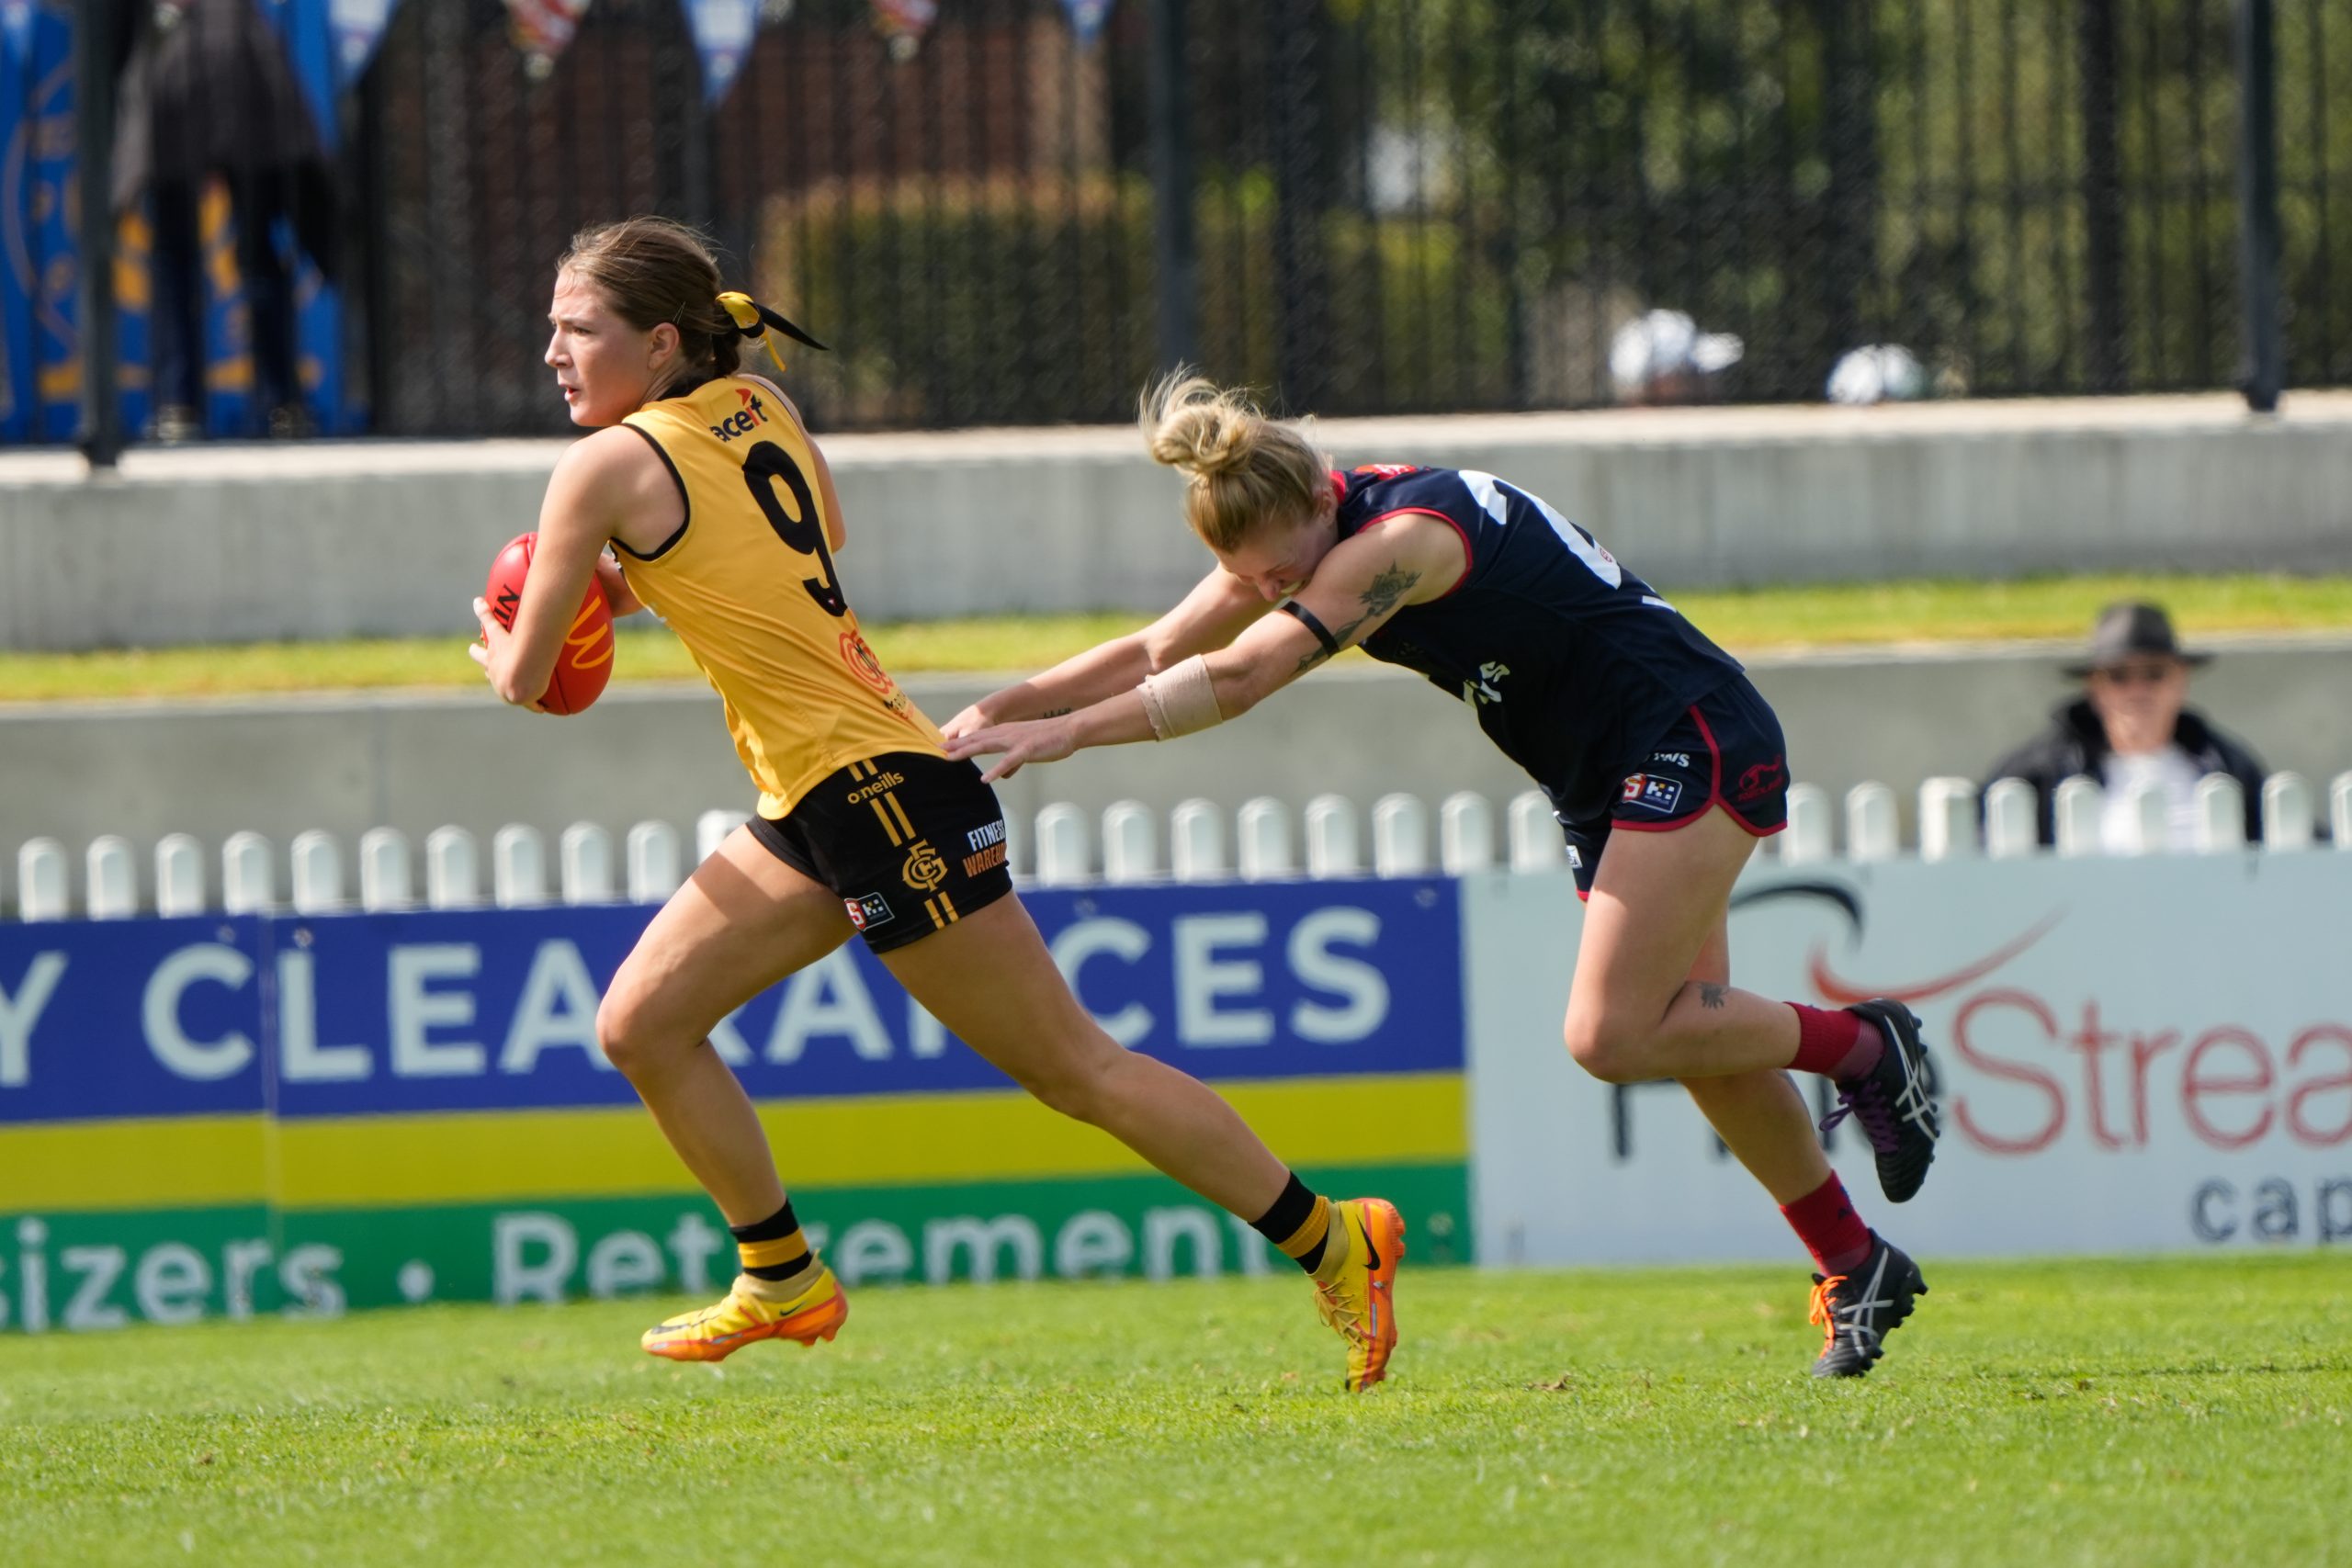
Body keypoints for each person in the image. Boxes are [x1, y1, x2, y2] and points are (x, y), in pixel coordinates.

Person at [467, 219, 1403, 1393]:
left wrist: (518, 622)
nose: (552, 351)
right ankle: (781, 1275)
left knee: (1076, 1072)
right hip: (821, 792)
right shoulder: (759, 407)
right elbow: (805, 540)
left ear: (657, 344)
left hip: (874, 794)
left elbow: (525, 681)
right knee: (640, 1026)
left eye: (575, 330)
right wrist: (630, 571)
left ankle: (1334, 1236)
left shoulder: (599, 468)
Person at [945, 376, 1946, 1379]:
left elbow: (1244, 676)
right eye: (1248, 581)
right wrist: (985, 719)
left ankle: (1863, 1045)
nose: (1268, 593)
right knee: (1690, 1031)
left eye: (1279, 575)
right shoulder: (1294, 529)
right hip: (1596, 773)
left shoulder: (1400, 541)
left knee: (1611, 1032)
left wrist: (1066, 736)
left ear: (1321, 506)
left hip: (1683, 732)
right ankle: (1852, 1262)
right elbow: (1156, 649)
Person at [110, 0, 340, 441]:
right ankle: (281, 404)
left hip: (187, 63)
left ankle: (182, 406)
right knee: (250, 250)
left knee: (180, 253)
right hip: (235, 59)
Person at [1984, 603, 2267, 851]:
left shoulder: (2225, 762)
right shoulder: (2042, 768)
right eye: (2119, 677)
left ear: (2181, 681)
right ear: (2095, 688)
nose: (2138, 690)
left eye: (2154, 674)